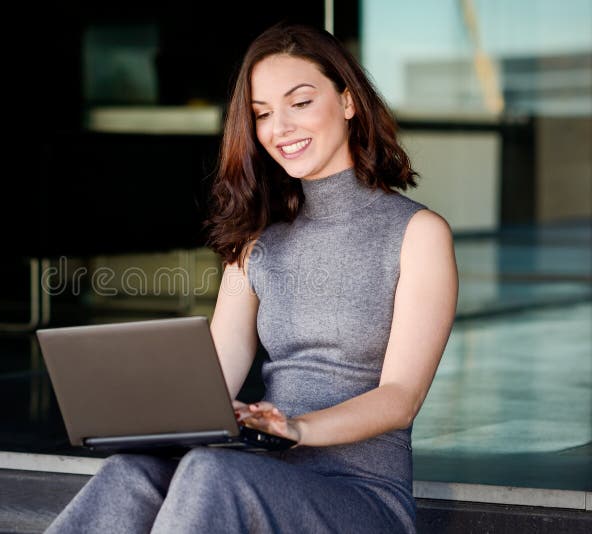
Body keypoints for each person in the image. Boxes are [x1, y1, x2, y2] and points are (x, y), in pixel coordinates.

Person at [44, 21, 457, 534]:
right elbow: (214, 372)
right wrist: (135, 414)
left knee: (210, 471)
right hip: (262, 468)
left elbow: (400, 398)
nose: (280, 128)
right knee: (133, 471)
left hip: (361, 495)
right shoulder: (257, 239)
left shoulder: (418, 233)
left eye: (300, 103)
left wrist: (296, 429)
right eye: (262, 114)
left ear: (348, 102)